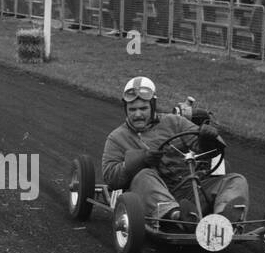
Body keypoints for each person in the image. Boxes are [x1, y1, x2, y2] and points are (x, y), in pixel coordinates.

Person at [102, 76, 248, 225]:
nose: (138, 114)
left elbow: (208, 149)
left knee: (236, 180)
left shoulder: (175, 122)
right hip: (151, 193)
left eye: (143, 108)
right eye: (132, 109)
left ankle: (222, 221)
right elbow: (110, 178)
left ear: (152, 106)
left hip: (190, 190)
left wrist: (208, 139)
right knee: (144, 175)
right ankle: (177, 217)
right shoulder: (117, 137)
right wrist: (140, 161)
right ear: (125, 110)